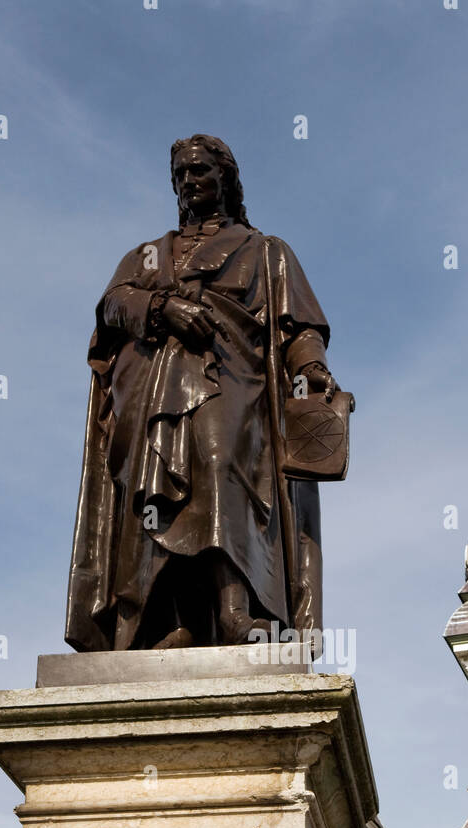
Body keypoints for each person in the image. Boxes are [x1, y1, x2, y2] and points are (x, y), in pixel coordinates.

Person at [65, 134, 340, 650]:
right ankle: (168, 621)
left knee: (218, 467)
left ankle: (233, 613)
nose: (189, 181)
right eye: (181, 174)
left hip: (232, 377)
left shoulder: (266, 252)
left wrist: (313, 367)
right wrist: (160, 309)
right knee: (149, 490)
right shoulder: (147, 256)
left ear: (225, 180)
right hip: (148, 389)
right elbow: (110, 307)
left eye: (200, 172)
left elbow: (298, 327)